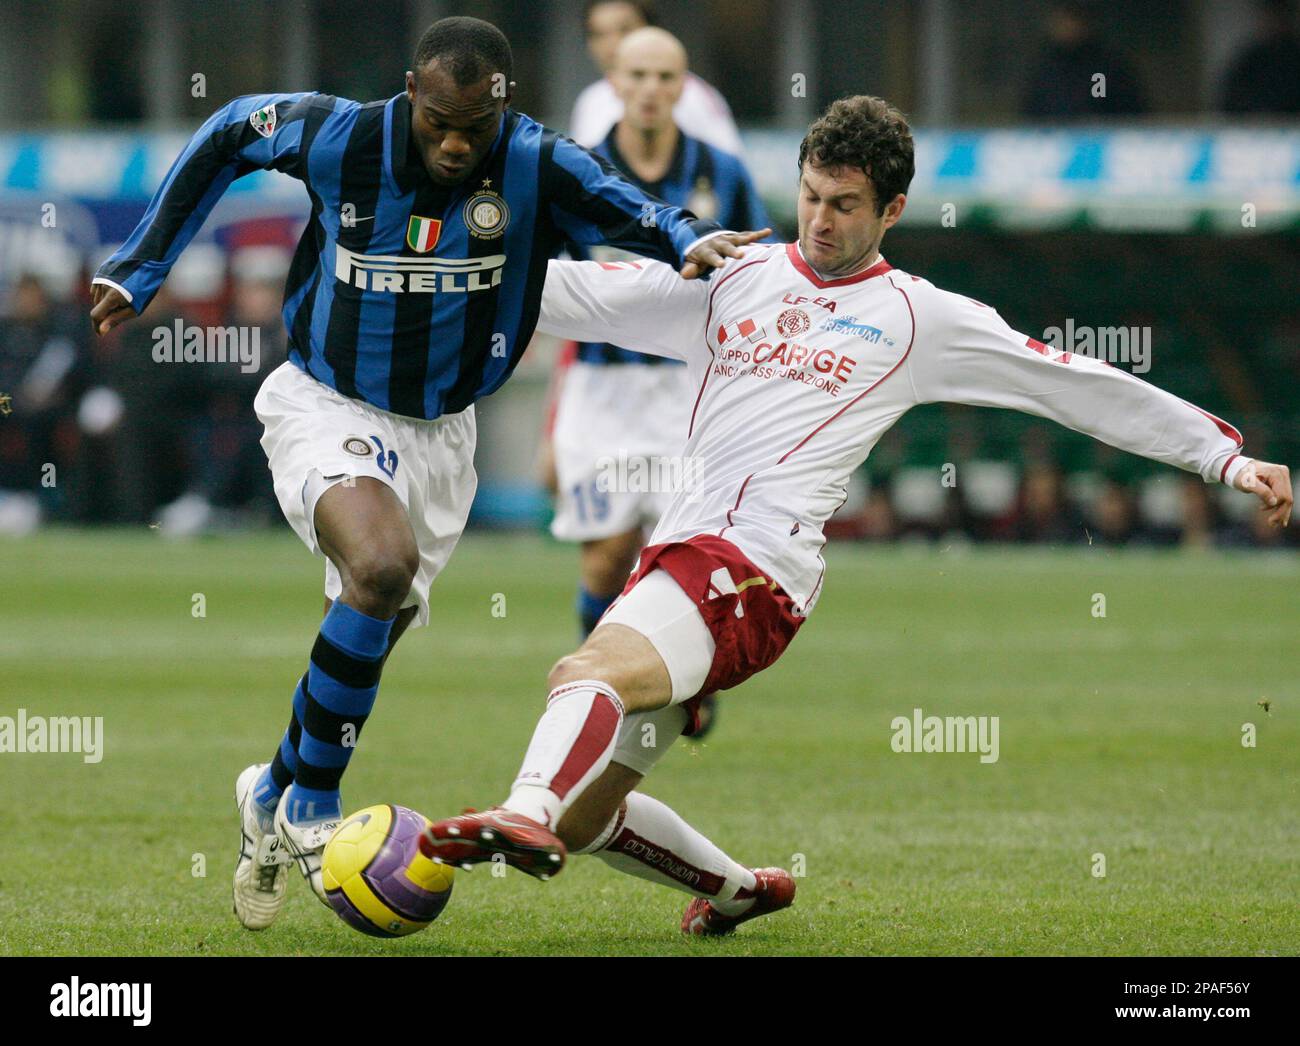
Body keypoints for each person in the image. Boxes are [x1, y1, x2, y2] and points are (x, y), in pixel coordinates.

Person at [421, 95, 1293, 936]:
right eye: (809, 196)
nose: (820, 220)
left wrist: (1223, 456)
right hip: (680, 559)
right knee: (586, 817)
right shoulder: (736, 276)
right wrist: (442, 260)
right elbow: (578, 294)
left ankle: (519, 810)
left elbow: (1069, 383)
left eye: (844, 205)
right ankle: (737, 890)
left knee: (586, 672)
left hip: (755, 568)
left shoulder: (918, 318)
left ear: (893, 209)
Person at [87, 15, 766, 933]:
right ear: (412, 94)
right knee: (378, 569)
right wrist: (144, 262)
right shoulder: (339, 134)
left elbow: (622, 205)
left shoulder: (532, 160)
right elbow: (225, 132)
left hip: (444, 440)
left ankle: (272, 792)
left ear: (503, 109)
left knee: (378, 616)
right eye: (437, 122)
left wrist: (687, 237)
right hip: (326, 403)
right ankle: (316, 812)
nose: (454, 145)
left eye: (472, 129)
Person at [551, 26, 773, 737]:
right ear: (613, 81)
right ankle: (602, 680)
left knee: (684, 551)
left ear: (684, 87)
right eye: (636, 75)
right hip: (601, 391)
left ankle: (682, 680)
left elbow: (761, 278)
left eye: (665, 77)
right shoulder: (576, 172)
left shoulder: (723, 173)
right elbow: (545, 283)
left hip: (688, 394)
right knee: (608, 553)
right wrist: (553, 414)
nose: (650, 90)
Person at [570, 0, 744, 154]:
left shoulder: (692, 94)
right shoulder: (590, 101)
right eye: (599, 34)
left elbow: (729, 174)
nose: (612, 43)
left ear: (651, 28)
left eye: (624, 29)